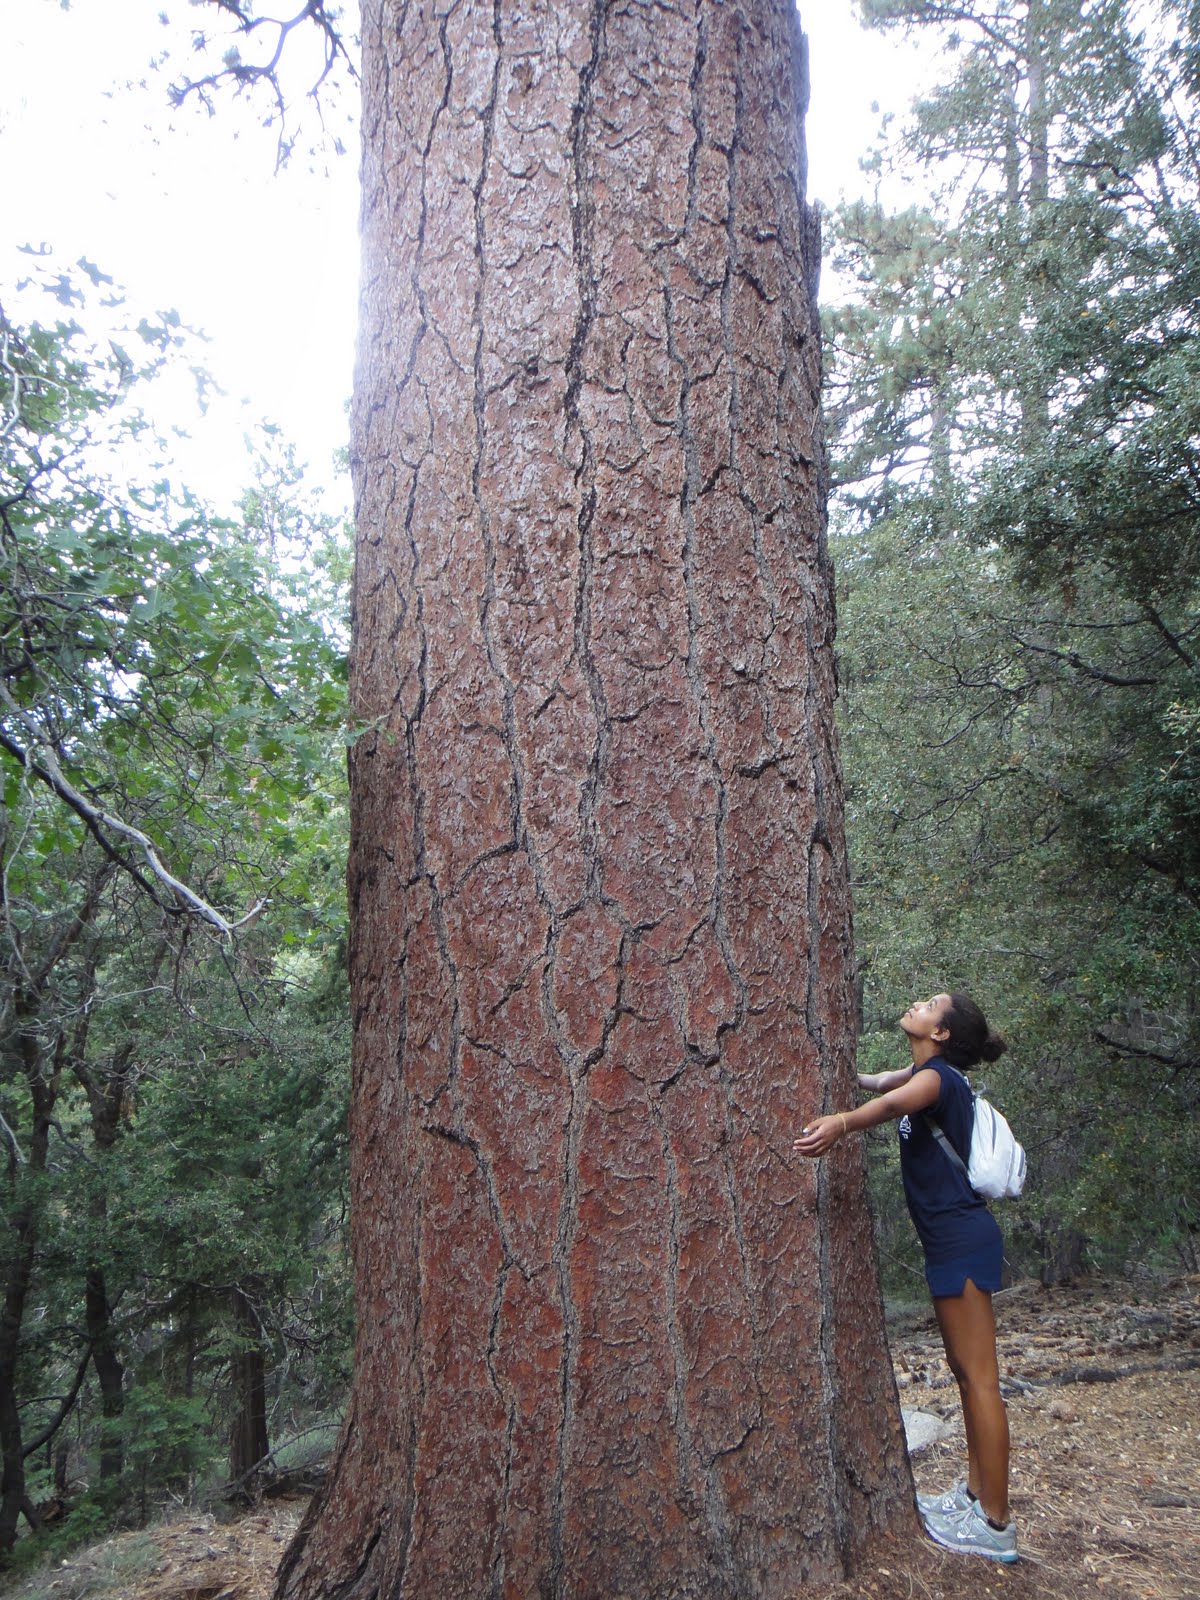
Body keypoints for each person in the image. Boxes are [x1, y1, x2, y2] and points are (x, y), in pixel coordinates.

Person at [792, 991, 1018, 1565]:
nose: (919, 1003)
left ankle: (995, 1522)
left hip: (962, 1241)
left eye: (931, 1003)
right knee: (966, 1378)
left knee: (980, 1379)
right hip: (949, 1241)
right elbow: (880, 1084)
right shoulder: (921, 1072)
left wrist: (840, 1124)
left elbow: (890, 1106)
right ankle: (973, 1497)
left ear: (941, 1033)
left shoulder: (937, 1080)